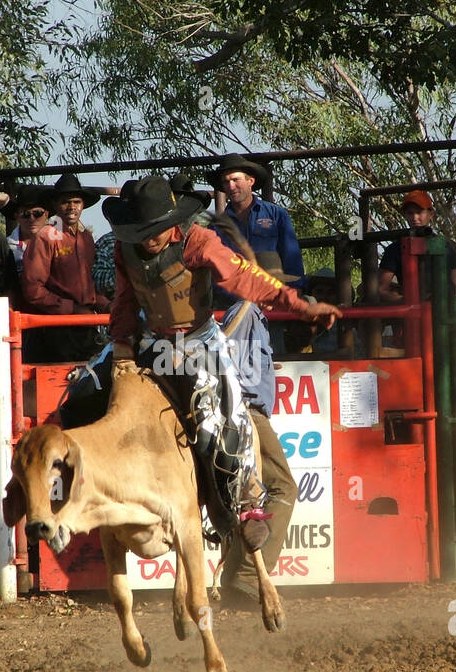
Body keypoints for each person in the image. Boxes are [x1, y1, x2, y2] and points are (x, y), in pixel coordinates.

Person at [105, 175, 340, 551]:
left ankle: (246, 505)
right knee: (91, 393)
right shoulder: (125, 248)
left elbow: (243, 277)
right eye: (141, 231)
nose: (148, 239)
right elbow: (124, 299)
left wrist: (300, 306)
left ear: (171, 223)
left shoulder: (199, 240)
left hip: (200, 342)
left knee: (226, 416)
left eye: (156, 229)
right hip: (152, 341)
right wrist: (121, 345)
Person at [217, 253, 299, 595]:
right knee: (283, 487)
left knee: (246, 497)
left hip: (246, 411)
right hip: (248, 412)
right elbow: (227, 363)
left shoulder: (250, 313)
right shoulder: (248, 312)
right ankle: (249, 577)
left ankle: (238, 575)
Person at [22, 172, 111, 361]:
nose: (71, 207)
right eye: (65, 202)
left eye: (76, 202)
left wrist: (107, 305)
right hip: (56, 328)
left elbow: (90, 281)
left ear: (83, 205)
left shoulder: (86, 237)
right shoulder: (46, 236)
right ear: (55, 205)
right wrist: (72, 309)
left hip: (86, 323)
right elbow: (33, 290)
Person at [378, 188, 456, 348]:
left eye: (419, 212)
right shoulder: (395, 249)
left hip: (445, 320)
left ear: (431, 214)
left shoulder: (445, 246)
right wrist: (410, 302)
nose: (414, 217)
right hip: (413, 325)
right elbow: (381, 289)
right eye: (409, 213)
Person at [210, 154, 305, 288]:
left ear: (251, 181)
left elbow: (291, 258)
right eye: (226, 182)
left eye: (236, 180)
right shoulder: (215, 227)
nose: (231, 186)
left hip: (272, 295)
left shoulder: (277, 215)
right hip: (232, 297)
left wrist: (296, 291)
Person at [3, 183, 54, 275]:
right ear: (17, 216)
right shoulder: (6, 247)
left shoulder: (57, 243)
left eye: (37, 213)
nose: (32, 219)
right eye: (25, 214)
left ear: (46, 214)